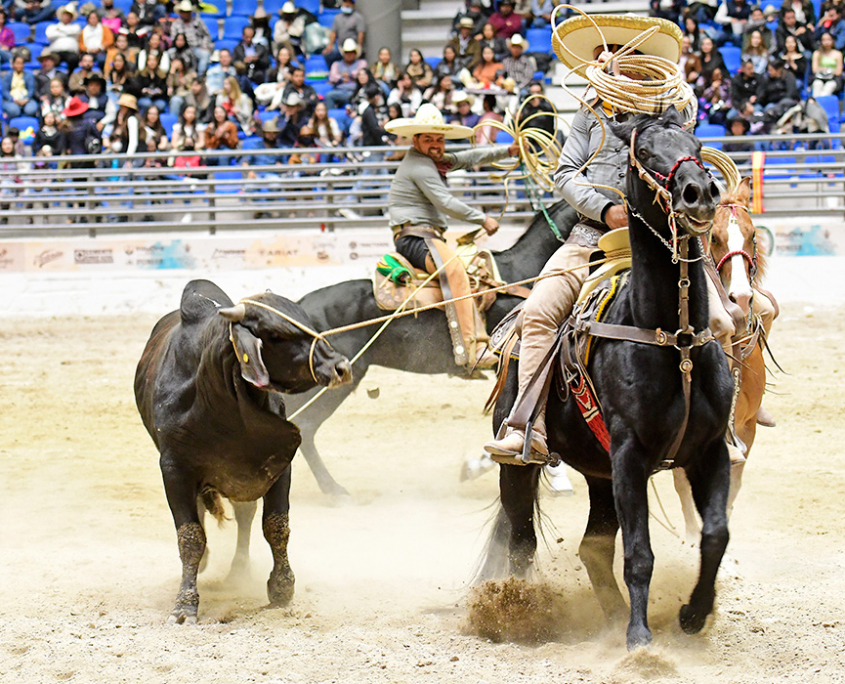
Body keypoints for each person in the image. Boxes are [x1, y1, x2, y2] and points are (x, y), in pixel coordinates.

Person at [483, 14, 687, 460]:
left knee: (725, 312)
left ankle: (725, 421)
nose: (603, 64)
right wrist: (605, 210)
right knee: (537, 313)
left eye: (612, 56)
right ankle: (527, 427)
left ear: (637, 61)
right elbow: (565, 173)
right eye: (598, 57)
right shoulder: (588, 112)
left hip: (660, 242)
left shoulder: (670, 109)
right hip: (588, 238)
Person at [384, 103, 520, 370]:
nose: (436, 144)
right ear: (415, 141)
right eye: (429, 139)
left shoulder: (432, 161)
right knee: (455, 271)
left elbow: (469, 157)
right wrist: (482, 218)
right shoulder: (420, 166)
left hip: (424, 236)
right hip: (415, 239)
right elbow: (445, 202)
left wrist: (507, 151)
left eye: (439, 139)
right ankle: (474, 346)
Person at [170, 0, 213, 76]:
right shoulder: (176, 24)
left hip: (196, 48)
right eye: (184, 12)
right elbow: (173, 39)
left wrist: (204, 45)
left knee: (205, 54)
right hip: (181, 50)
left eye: (187, 12)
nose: (186, 14)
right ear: (180, 12)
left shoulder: (198, 22)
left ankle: (199, 77)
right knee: (170, 53)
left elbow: (206, 35)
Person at [325, 39, 367, 109]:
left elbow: (360, 73)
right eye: (347, 53)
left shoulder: (361, 62)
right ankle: (331, 115)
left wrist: (349, 75)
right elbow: (332, 77)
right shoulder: (336, 64)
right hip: (340, 91)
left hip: (355, 91)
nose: (349, 55)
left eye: (351, 52)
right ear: (344, 54)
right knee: (329, 96)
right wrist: (342, 79)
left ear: (355, 53)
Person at [323, 0, 366, 67]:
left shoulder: (358, 17)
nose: (347, 4)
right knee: (329, 55)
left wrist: (359, 46)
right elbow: (333, 32)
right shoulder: (337, 17)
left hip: (353, 47)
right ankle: (334, 71)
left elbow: (361, 33)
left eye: (349, 3)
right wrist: (330, 45)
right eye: (346, 2)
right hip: (340, 46)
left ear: (353, 5)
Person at [46, 4, 82, 72]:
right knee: (51, 60)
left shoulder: (76, 27)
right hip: (56, 52)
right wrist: (68, 33)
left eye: (69, 16)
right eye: (65, 15)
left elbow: (75, 32)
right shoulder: (52, 27)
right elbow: (50, 35)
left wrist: (59, 30)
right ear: (61, 15)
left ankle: (70, 76)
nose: (67, 17)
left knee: (74, 59)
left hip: (70, 53)